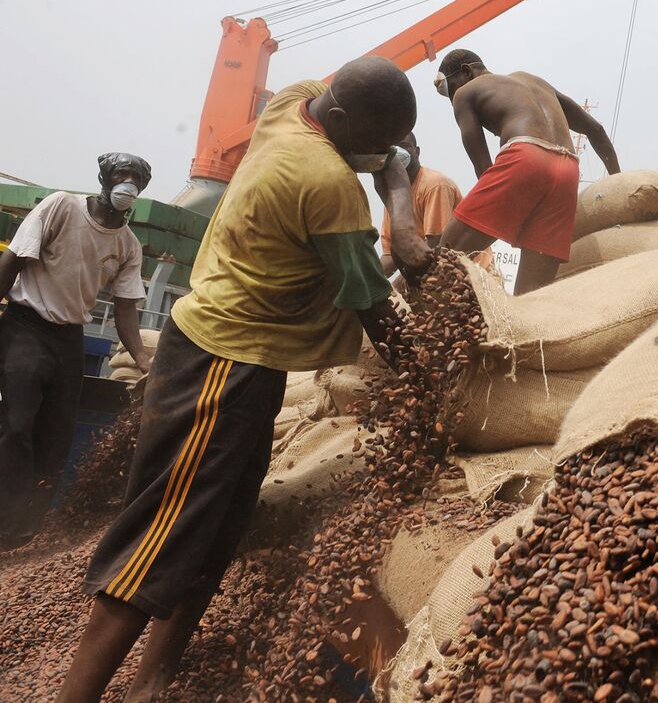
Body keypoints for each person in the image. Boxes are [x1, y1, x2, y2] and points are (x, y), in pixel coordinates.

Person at [55, 56, 430, 702]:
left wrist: (380, 150)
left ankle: (154, 684)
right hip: (219, 367)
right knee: (161, 536)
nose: (376, 154)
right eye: (371, 143)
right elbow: (371, 298)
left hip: (248, 363)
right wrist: (399, 185)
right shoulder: (327, 183)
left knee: (215, 529)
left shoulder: (294, 104)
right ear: (340, 122)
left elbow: (350, 124)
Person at [0, 154, 152, 549]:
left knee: (56, 436)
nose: (128, 184)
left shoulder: (128, 246)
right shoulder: (62, 206)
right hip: (26, 326)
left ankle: (23, 531)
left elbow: (125, 309)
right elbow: (12, 261)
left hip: (69, 337)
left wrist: (144, 360)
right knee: (16, 424)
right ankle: (3, 521)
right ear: (104, 178)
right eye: (122, 175)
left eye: (136, 179)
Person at [433, 48, 621, 294]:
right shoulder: (534, 80)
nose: (452, 100)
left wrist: (508, 218)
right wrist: (618, 183)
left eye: (450, 92)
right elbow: (596, 130)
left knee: (446, 259)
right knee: (532, 295)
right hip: (568, 169)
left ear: (467, 71)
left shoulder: (465, 94)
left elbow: (483, 169)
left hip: (525, 158)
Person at [379, 131, 492, 277]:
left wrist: (399, 285)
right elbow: (390, 255)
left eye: (404, 146)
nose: (398, 151)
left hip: (470, 273)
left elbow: (435, 246)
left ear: (417, 152)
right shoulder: (394, 195)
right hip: (431, 269)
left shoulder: (434, 185)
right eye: (393, 147)